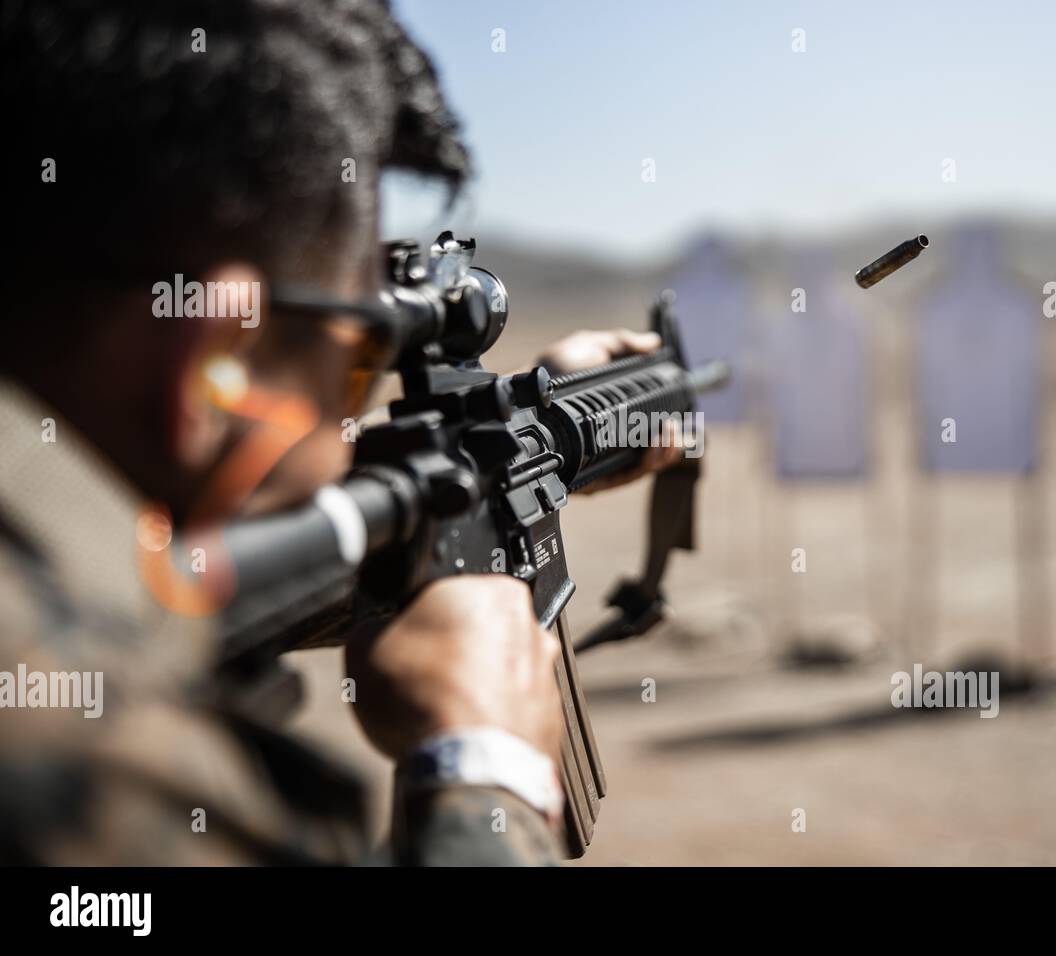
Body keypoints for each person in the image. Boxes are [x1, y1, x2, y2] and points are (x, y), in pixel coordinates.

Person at [0, 0, 672, 865]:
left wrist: (545, 429)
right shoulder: (82, 755)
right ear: (215, 369)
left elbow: (171, 571)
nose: (347, 425)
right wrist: (485, 774)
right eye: (361, 358)